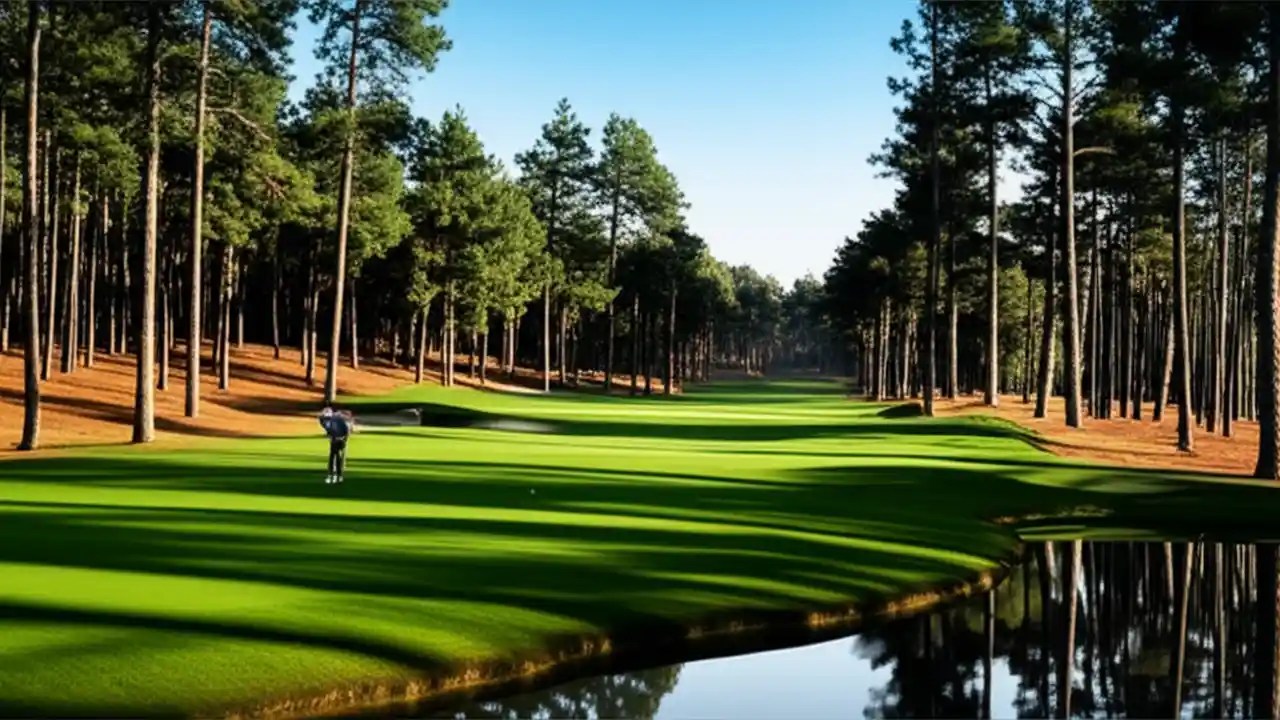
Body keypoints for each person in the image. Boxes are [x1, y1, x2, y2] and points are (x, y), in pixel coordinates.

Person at [319, 406, 354, 484]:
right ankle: (331, 474)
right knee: (332, 455)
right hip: (334, 438)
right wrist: (330, 436)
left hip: (342, 437)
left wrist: (344, 439)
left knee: (339, 455)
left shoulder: (339, 420)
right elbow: (328, 428)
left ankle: (339, 474)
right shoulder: (323, 420)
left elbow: (346, 430)